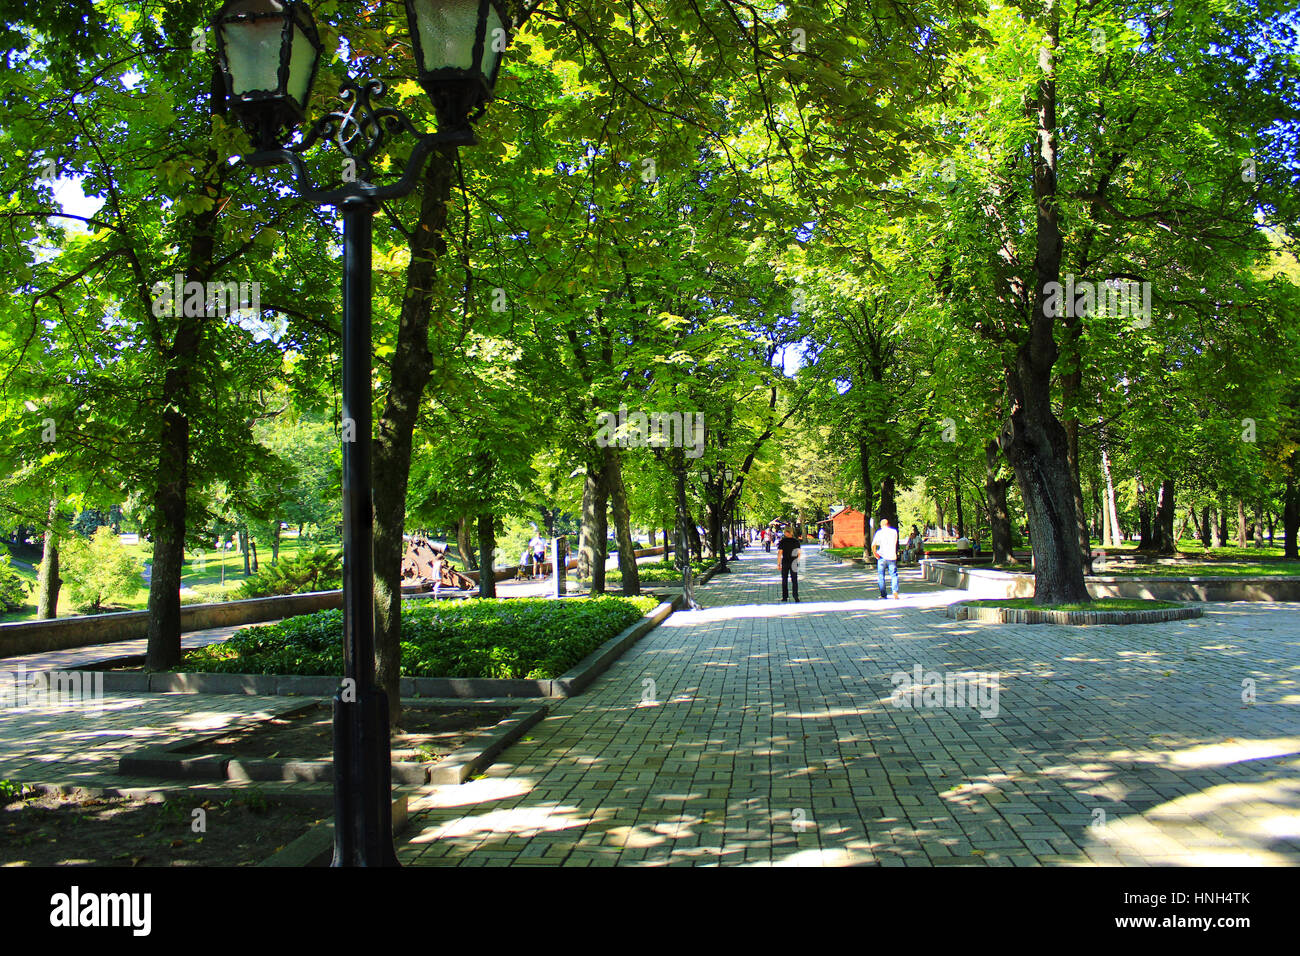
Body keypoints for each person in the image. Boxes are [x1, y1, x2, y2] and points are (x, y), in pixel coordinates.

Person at [872, 516, 900, 599]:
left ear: (881, 525)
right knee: (894, 575)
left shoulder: (879, 533)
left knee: (881, 576)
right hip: (891, 556)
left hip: (882, 556)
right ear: (888, 524)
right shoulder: (894, 532)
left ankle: (883, 594)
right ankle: (895, 591)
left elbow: (873, 545)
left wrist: (875, 553)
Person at [777, 524, 802, 602]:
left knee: (784, 579)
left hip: (785, 562)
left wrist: (778, 563)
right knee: (794, 580)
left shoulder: (782, 542)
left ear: (786, 532)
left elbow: (780, 553)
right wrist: (797, 560)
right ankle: (795, 596)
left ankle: (785, 597)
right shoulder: (796, 541)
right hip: (793, 562)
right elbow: (799, 552)